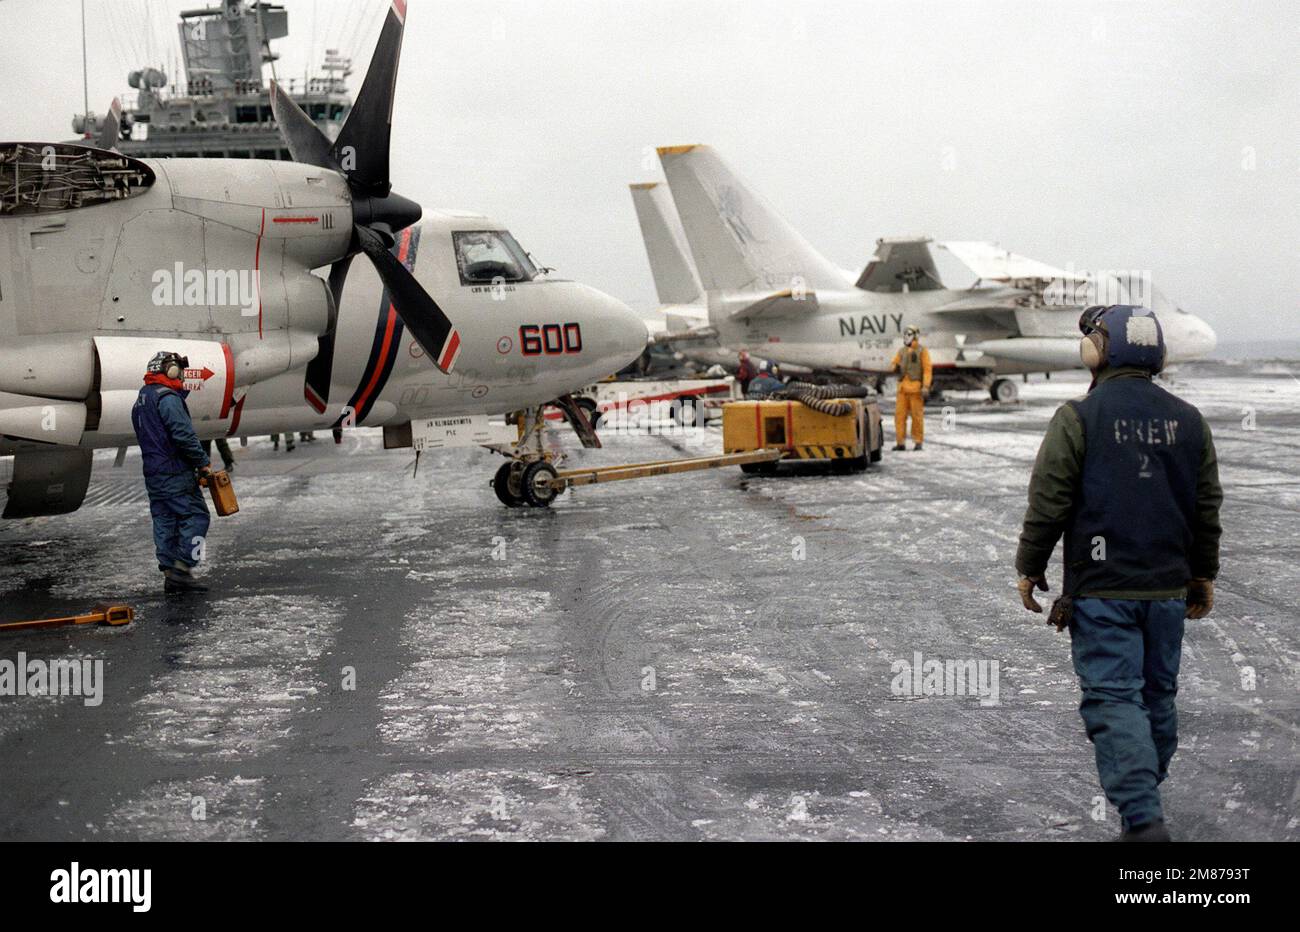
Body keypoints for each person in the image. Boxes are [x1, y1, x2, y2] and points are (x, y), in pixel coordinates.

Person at [1015, 305, 1222, 842]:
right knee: (1157, 696)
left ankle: (1143, 820)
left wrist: (1029, 566)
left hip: (1103, 591)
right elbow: (1206, 508)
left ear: (1100, 351)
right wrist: (1202, 576)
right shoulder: (1190, 420)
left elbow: (1049, 500)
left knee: (1114, 699)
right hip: (1167, 590)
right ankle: (1142, 800)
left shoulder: (1078, 417)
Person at [131, 351, 213, 593]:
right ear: (170, 370)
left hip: (154, 473)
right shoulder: (168, 398)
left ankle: (170, 574)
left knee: (165, 519)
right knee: (198, 516)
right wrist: (202, 462)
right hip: (174, 472)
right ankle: (183, 569)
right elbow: (183, 435)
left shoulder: (143, 397)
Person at [890, 325, 931, 451]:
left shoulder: (922, 351)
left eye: (909, 334)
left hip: (915, 390)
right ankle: (900, 443)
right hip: (902, 390)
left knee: (917, 417)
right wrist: (894, 367)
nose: (906, 337)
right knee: (899, 417)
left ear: (915, 336)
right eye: (905, 334)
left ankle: (918, 442)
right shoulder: (901, 351)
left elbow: (927, 370)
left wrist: (925, 386)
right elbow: (893, 364)